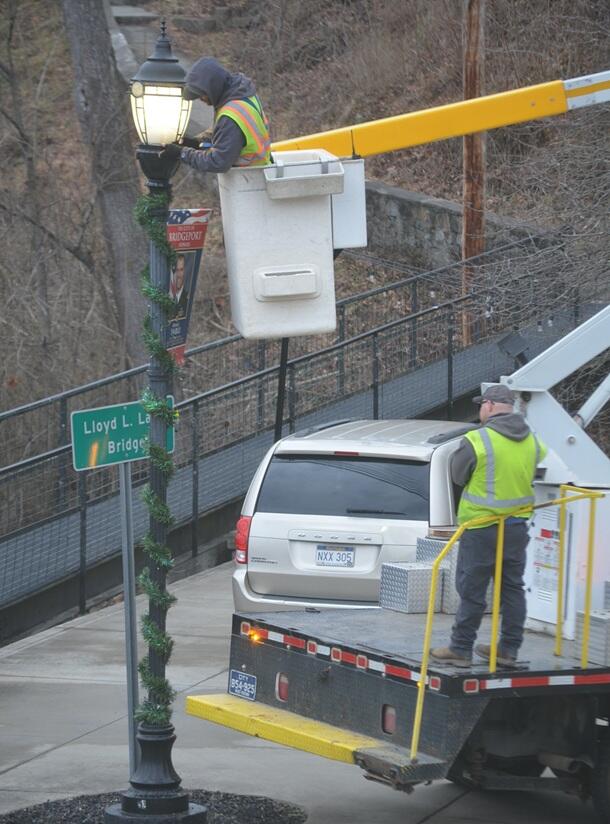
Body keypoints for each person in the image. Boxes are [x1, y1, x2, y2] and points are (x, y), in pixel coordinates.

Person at [430, 384, 547, 668]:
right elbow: (535, 466)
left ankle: (460, 649)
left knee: (472, 589)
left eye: (481, 405)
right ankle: (508, 650)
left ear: (491, 406)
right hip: (516, 527)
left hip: (482, 527)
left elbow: (458, 476)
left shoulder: (478, 440)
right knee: (512, 588)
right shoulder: (532, 440)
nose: (480, 410)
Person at [161, 57, 271, 173]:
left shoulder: (230, 116)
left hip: (247, 179)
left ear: (213, 88)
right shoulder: (242, 93)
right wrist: (196, 142)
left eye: (202, 94)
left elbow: (217, 162)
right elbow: (223, 132)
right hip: (259, 171)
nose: (201, 99)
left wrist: (182, 153)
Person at [169, 254, 189, 319]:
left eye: (181, 270)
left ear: (185, 271)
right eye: (176, 270)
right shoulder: (167, 293)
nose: (178, 275)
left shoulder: (188, 297)